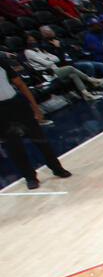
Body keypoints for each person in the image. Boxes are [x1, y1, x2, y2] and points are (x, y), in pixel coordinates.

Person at [0, 57, 71, 189]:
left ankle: (56, 167)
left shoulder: (1, 60)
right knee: (14, 147)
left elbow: (20, 83)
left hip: (15, 104)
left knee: (39, 138)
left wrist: (34, 106)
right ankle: (30, 177)